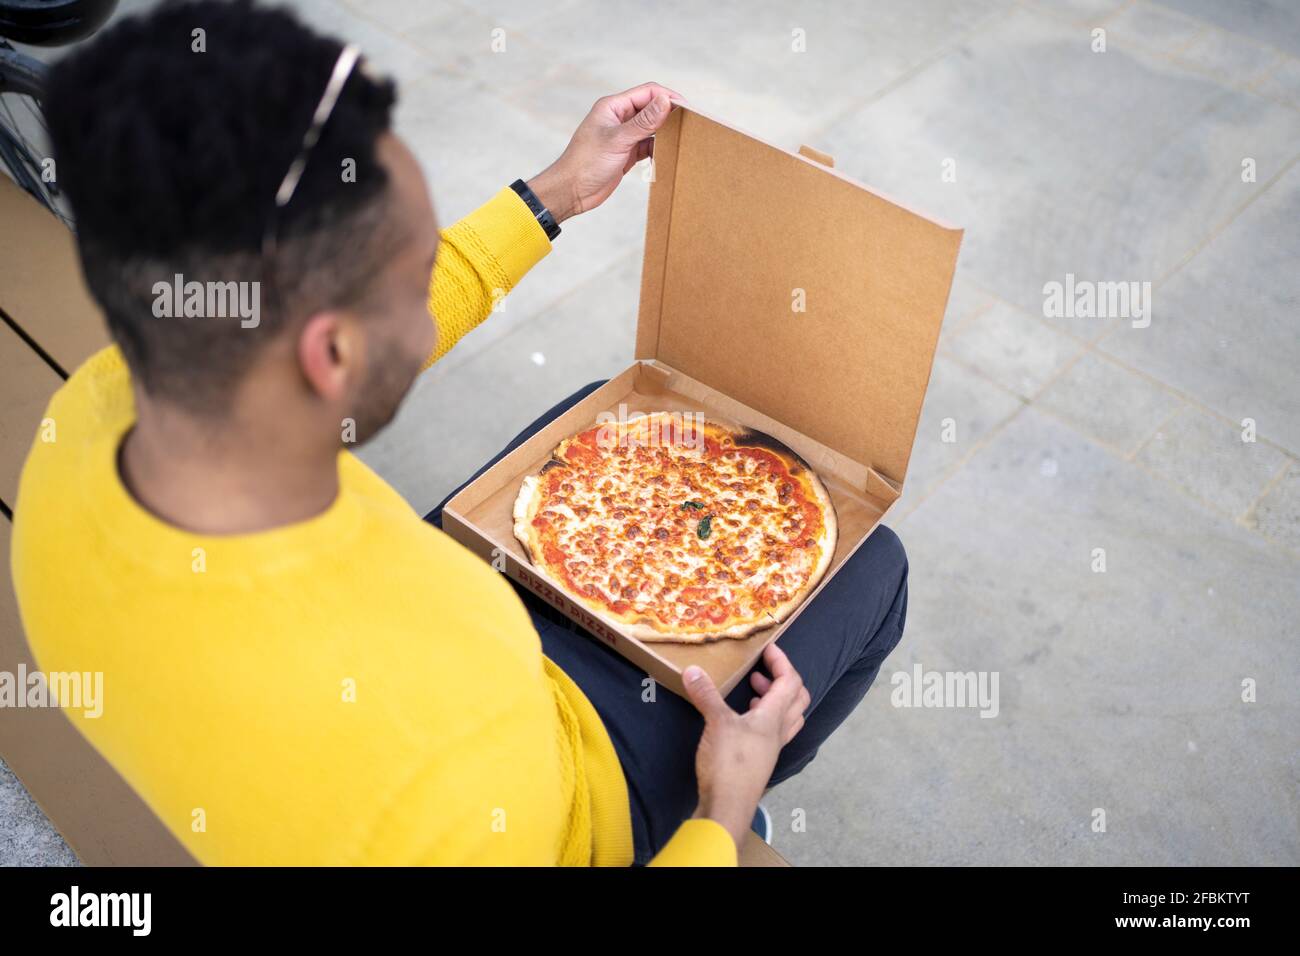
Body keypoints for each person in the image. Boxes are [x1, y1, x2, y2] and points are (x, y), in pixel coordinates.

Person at [11, 0, 908, 866]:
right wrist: (724, 803)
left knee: (613, 408)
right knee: (879, 565)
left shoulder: (100, 413)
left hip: (462, 645)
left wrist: (552, 194)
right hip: (567, 785)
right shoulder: (445, 800)